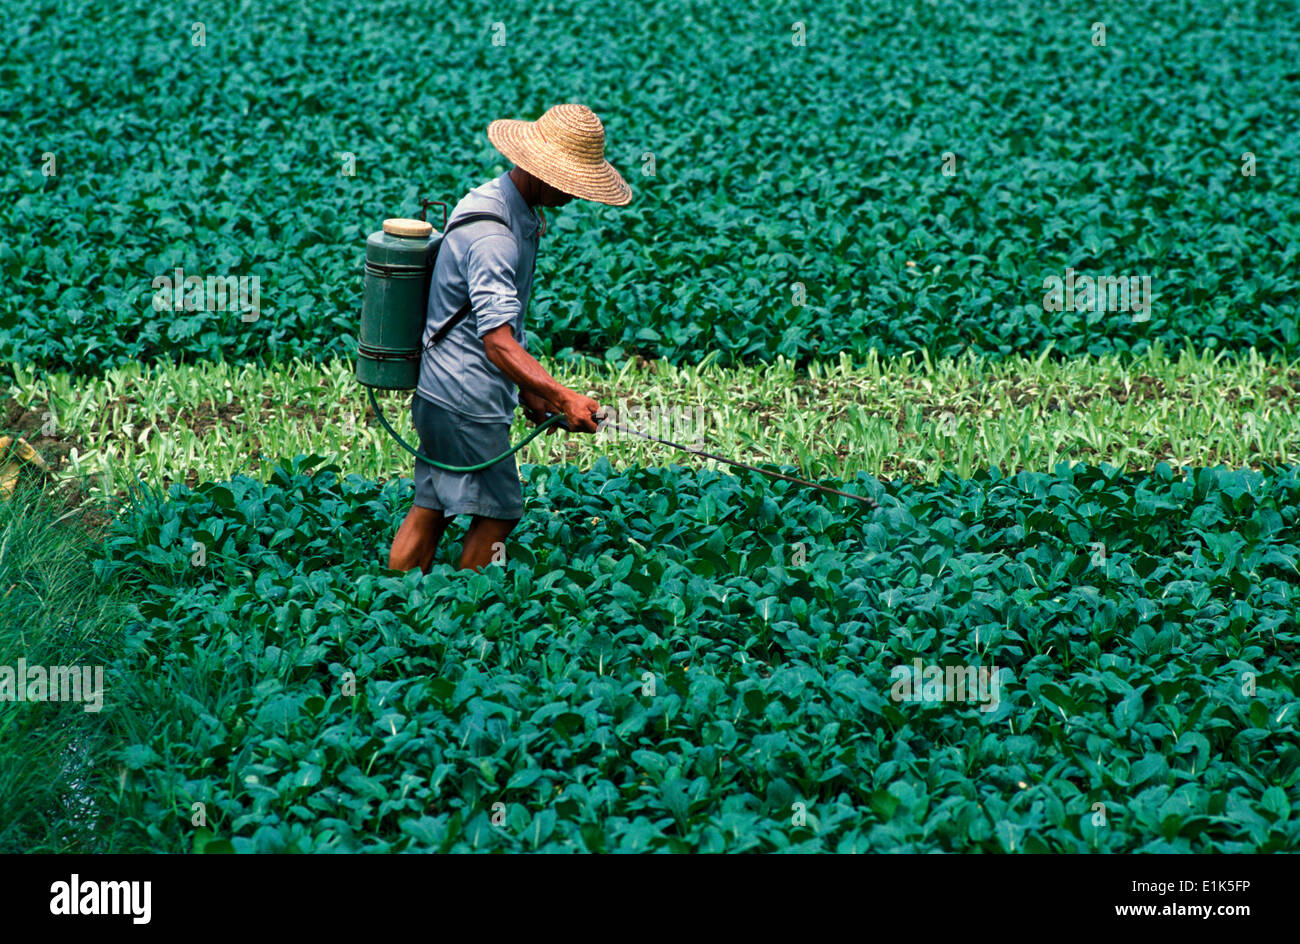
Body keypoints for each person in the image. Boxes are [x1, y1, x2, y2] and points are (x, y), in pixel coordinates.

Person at [387, 103, 632, 573]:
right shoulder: (495, 236)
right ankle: (464, 610)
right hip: (466, 398)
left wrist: (530, 390)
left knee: (432, 504)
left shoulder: (496, 201)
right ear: (544, 173)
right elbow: (497, 341)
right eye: (571, 184)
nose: (576, 195)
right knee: (501, 509)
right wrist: (563, 396)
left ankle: (399, 607)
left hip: (440, 387)